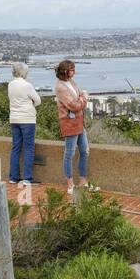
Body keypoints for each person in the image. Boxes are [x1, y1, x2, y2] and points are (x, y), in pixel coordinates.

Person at [55, 59, 91, 196]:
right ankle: (70, 183)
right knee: (69, 154)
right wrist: (83, 99)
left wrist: (81, 98)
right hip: (69, 123)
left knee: (84, 151)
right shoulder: (60, 87)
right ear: (65, 71)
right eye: (72, 69)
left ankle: (83, 180)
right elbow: (74, 106)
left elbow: (80, 95)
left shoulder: (72, 82)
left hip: (79, 121)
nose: (74, 71)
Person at [7, 62, 41, 185]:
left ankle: (13, 177)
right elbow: (38, 101)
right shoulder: (27, 85)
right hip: (27, 119)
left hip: (14, 119)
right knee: (28, 148)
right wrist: (30, 104)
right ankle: (27, 178)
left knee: (15, 147)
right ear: (24, 73)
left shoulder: (10, 84)